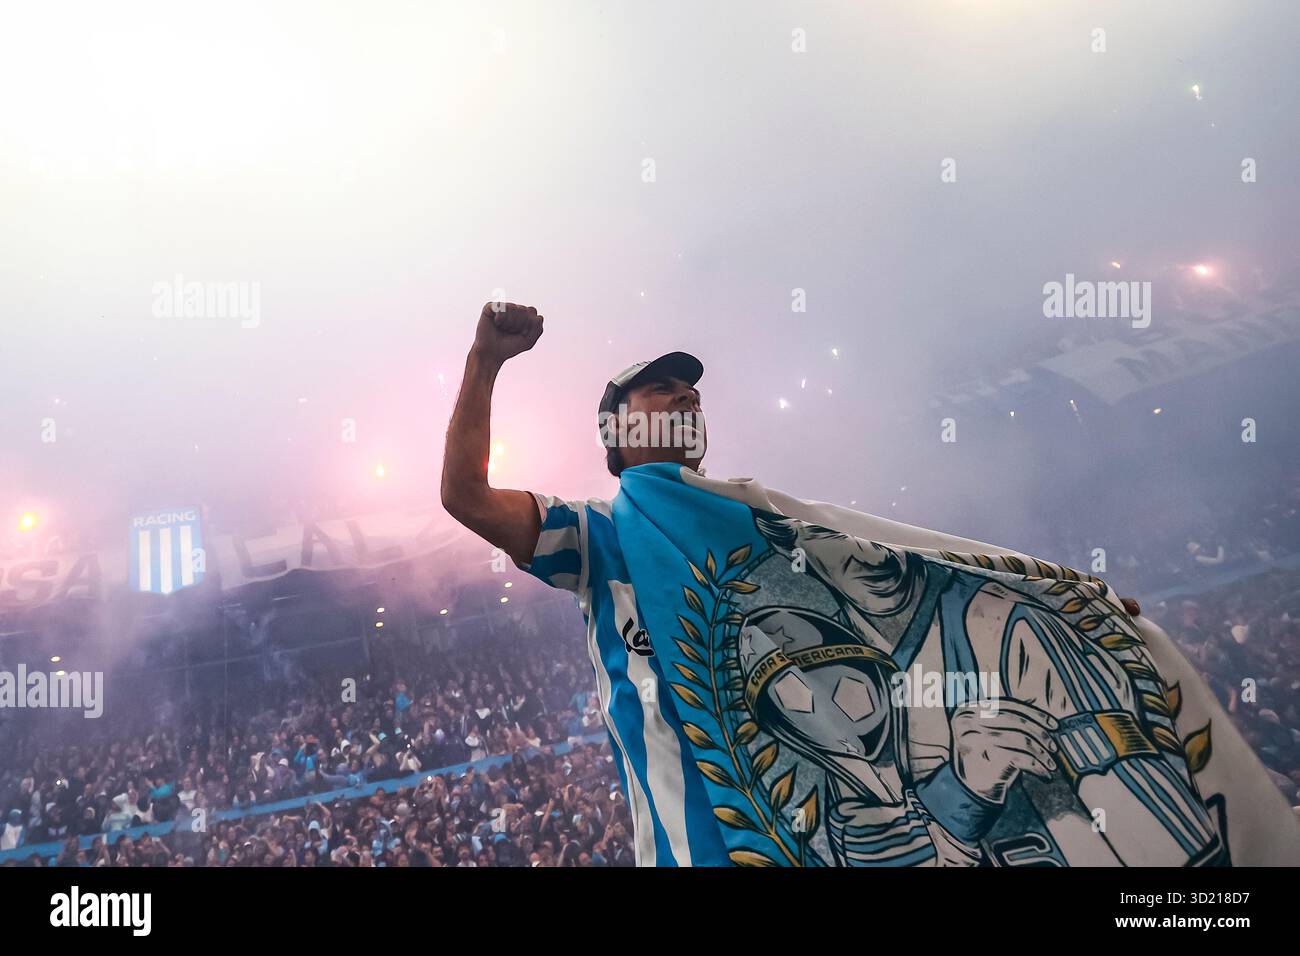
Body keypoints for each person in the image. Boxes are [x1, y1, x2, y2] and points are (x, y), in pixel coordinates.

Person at [440, 301, 1149, 867]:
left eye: (691, 391)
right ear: (614, 430)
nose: (687, 395)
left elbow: (924, 594)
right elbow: (466, 497)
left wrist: (1069, 614)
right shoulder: (598, 533)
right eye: (662, 389)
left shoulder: (769, 533)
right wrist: (484, 363)